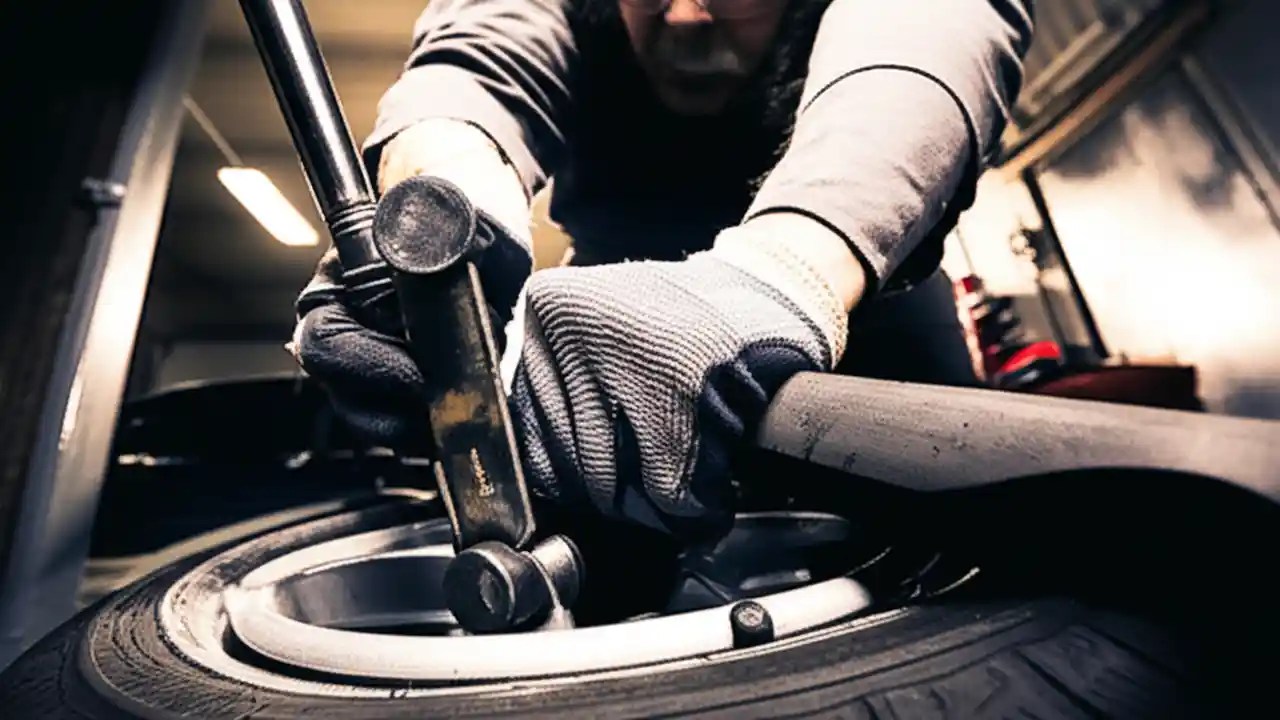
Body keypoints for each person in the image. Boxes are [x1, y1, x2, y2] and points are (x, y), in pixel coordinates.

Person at [290, 0, 1035, 539]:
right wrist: (437, 217)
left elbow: (930, 25)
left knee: (970, 543)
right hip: (605, 333)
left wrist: (783, 276)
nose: (683, 15)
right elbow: (470, 68)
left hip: (858, 317)